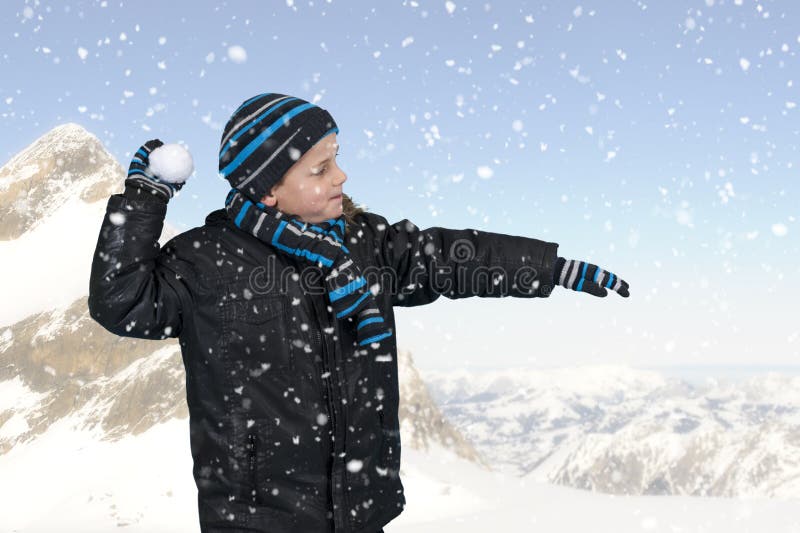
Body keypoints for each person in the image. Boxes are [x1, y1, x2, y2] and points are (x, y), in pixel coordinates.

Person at [88, 92, 630, 533]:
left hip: (361, 508)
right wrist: (145, 198)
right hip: (259, 518)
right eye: (321, 168)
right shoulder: (206, 261)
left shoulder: (362, 243)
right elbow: (123, 302)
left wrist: (549, 268)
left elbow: (445, 257)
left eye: (337, 159)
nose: (341, 176)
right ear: (270, 190)